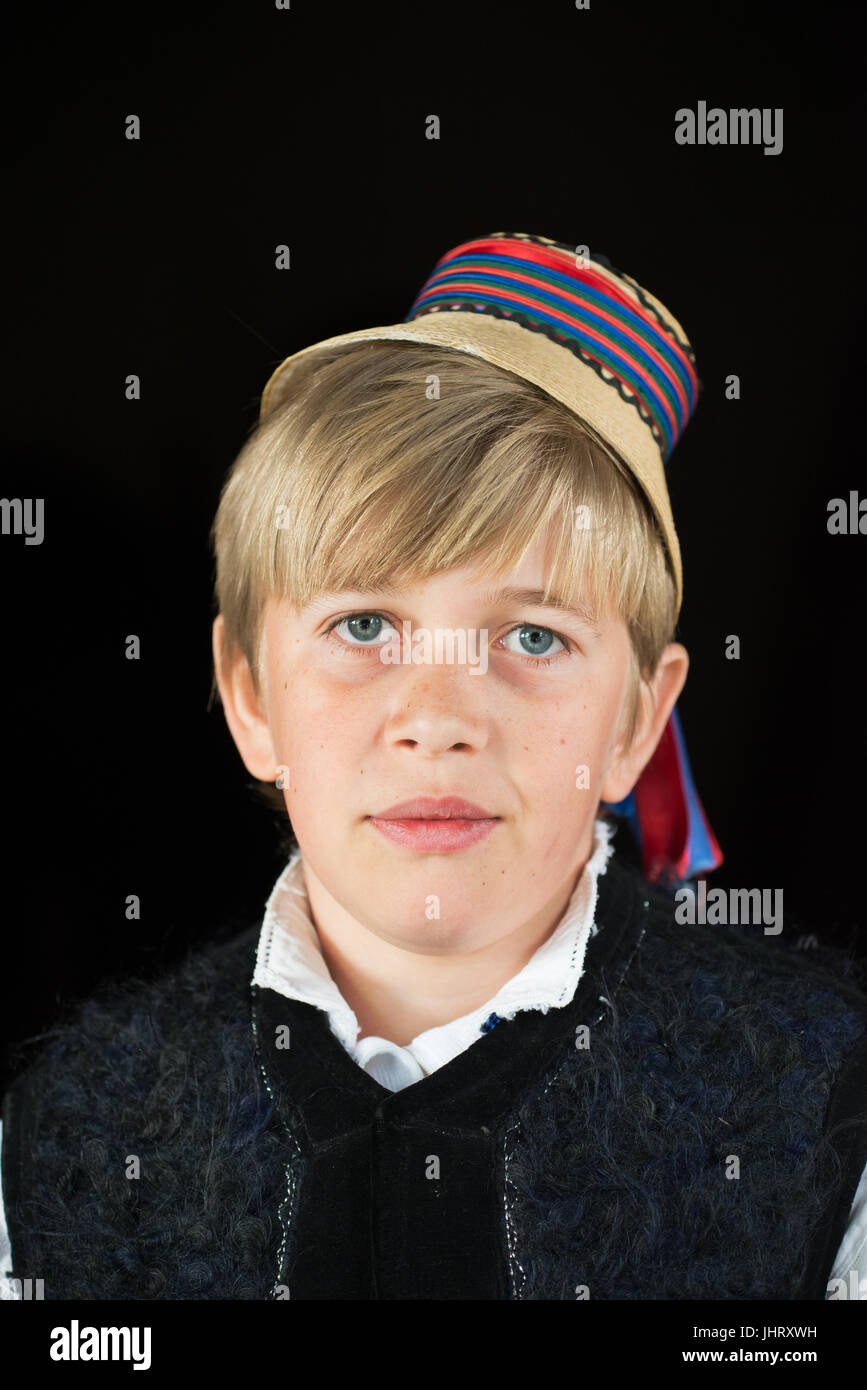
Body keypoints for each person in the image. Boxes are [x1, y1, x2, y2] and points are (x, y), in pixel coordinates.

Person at [2, 232, 865, 1300]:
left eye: (534, 637)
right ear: (252, 698)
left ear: (636, 722)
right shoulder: (64, 1132)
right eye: (364, 623)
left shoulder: (827, 1111)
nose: (440, 720)